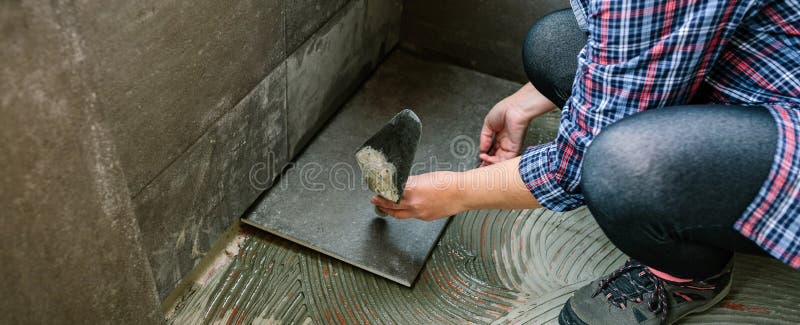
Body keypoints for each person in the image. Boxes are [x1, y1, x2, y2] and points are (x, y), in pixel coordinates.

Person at [371, 0, 800, 324]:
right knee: (552, 43)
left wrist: (456, 193)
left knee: (620, 168)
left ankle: (688, 275)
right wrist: (526, 102)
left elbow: (571, 170)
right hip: (768, 66)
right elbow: (656, 29)